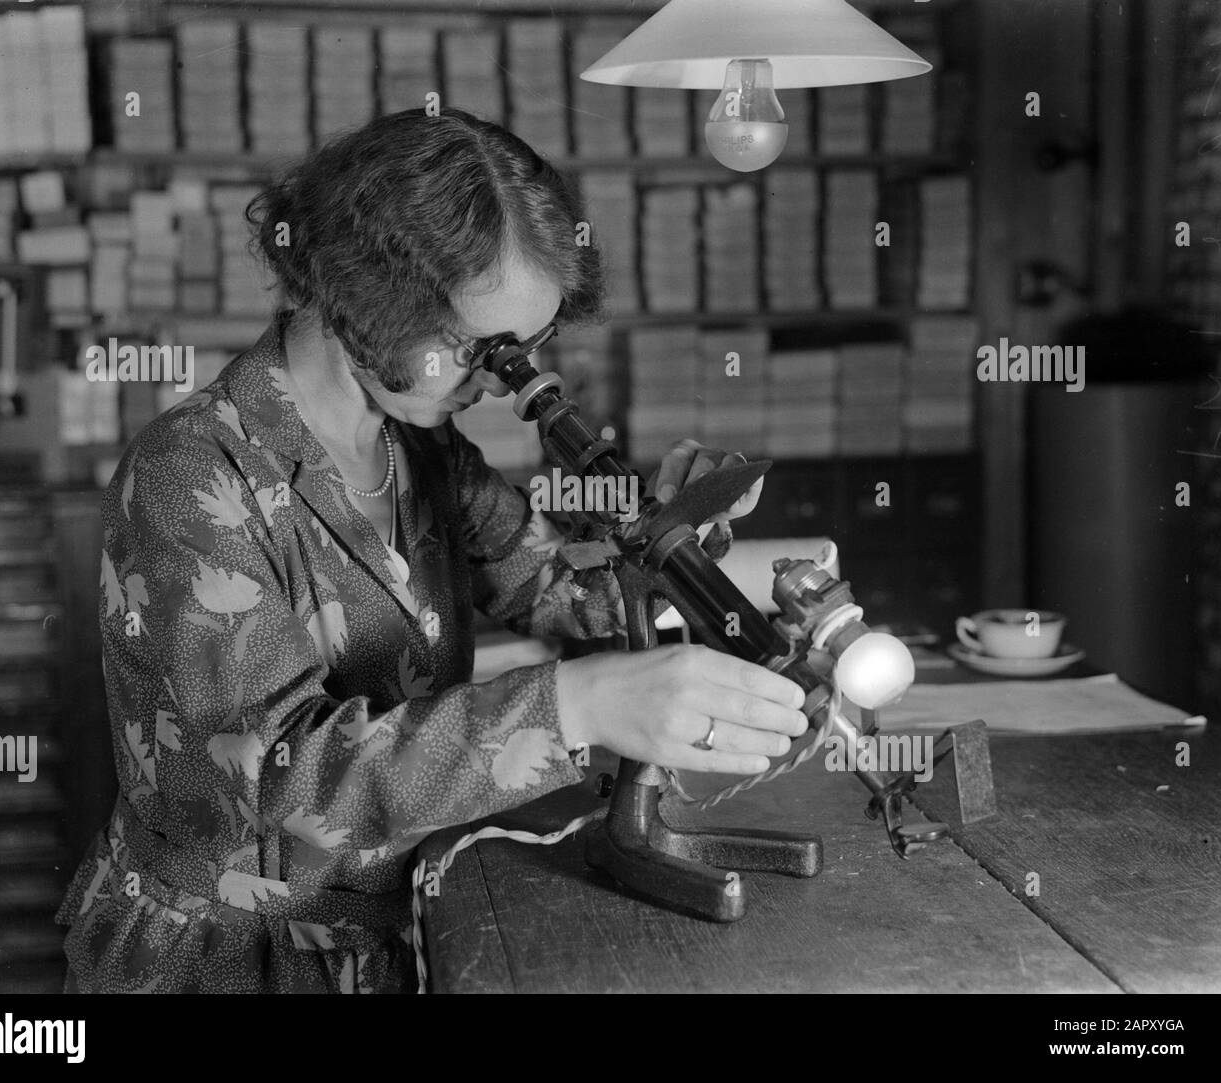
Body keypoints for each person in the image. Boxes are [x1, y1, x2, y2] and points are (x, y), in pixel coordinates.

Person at [55, 108, 809, 993]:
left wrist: (682, 524)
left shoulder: (424, 449)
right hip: (227, 962)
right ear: (367, 294)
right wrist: (574, 708)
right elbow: (274, 791)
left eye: (524, 350)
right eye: (476, 349)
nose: (503, 380)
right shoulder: (188, 475)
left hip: (391, 932)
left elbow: (564, 594)